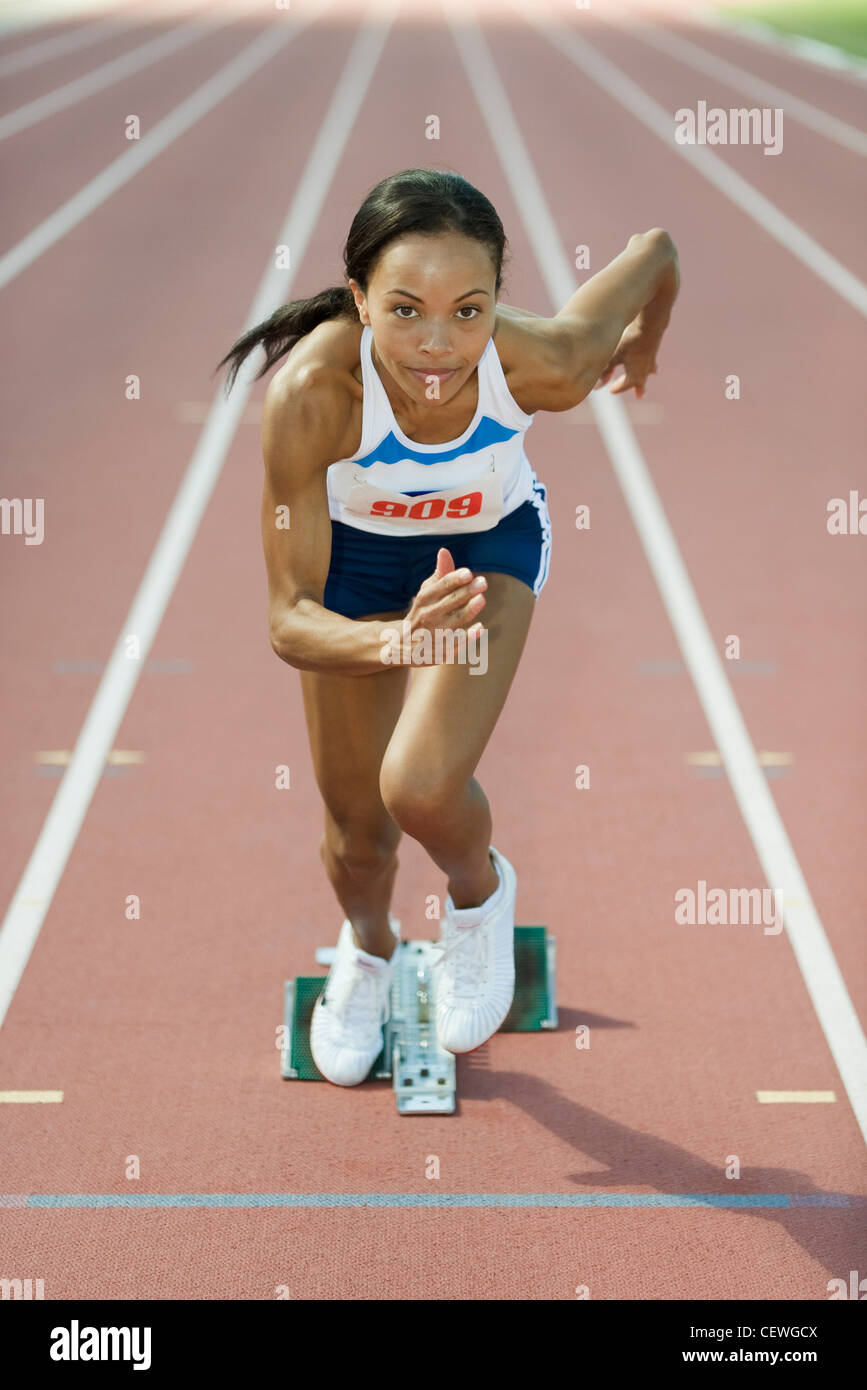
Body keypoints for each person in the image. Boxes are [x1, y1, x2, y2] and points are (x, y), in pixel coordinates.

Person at [216, 167, 679, 1087]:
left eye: (469, 312)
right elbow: (288, 621)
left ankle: (477, 904)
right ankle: (370, 950)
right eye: (403, 310)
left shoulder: (544, 363)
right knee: (357, 834)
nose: (437, 346)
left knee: (420, 789)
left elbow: (654, 253)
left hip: (484, 548)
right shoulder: (312, 396)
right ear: (356, 298)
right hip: (359, 566)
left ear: (501, 301)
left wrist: (645, 343)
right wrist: (398, 640)